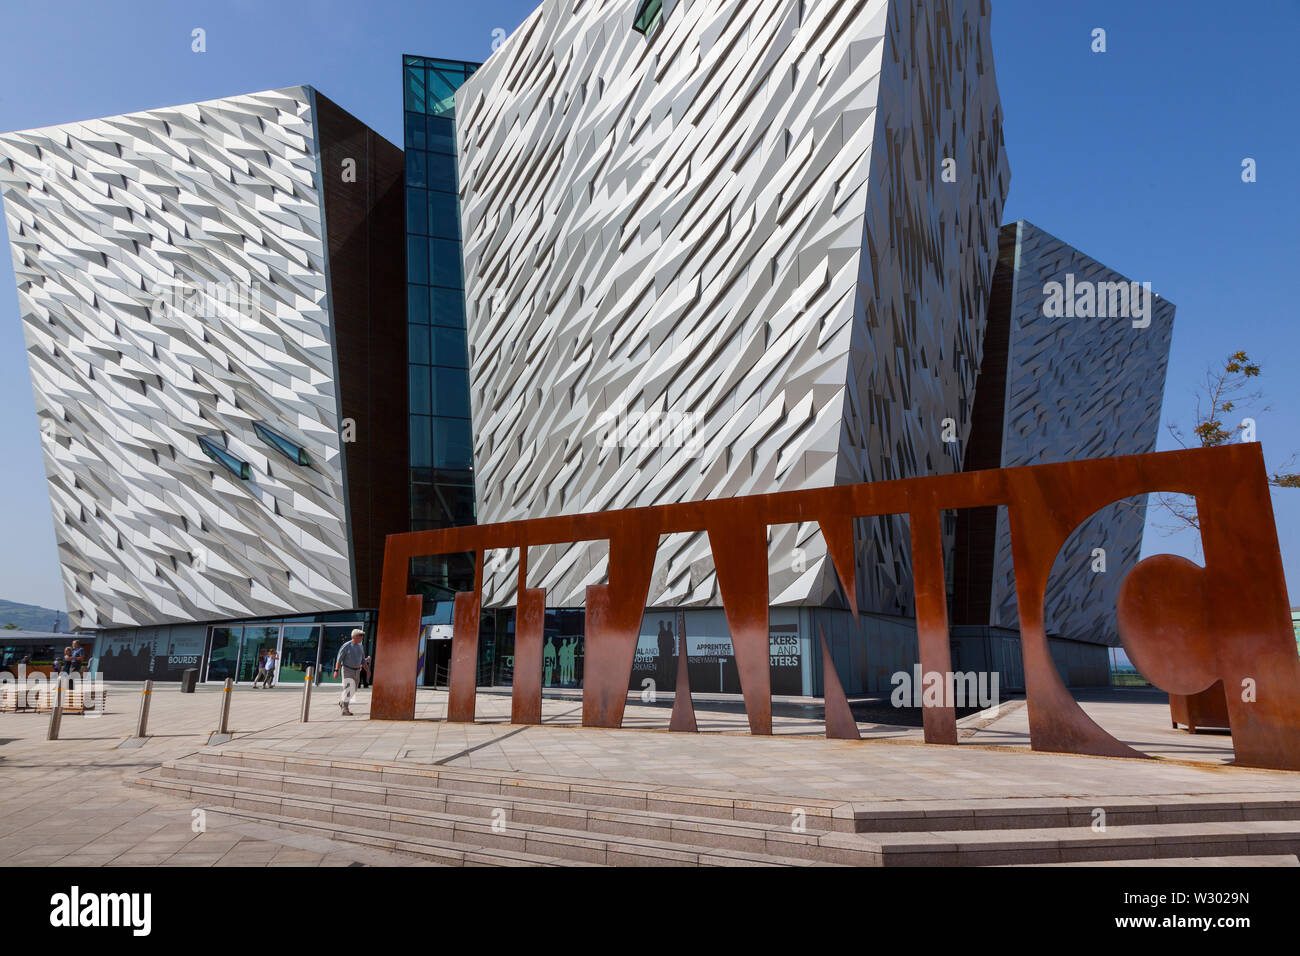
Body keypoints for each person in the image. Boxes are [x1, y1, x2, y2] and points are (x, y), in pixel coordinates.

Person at [332, 629, 367, 715]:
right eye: (360, 635)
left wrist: (367, 670)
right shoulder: (346, 646)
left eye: (362, 636)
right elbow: (339, 659)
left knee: (353, 690)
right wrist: (336, 670)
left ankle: (342, 702)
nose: (362, 637)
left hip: (357, 670)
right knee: (348, 689)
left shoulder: (360, 646)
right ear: (355, 636)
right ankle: (345, 710)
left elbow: (363, 660)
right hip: (347, 669)